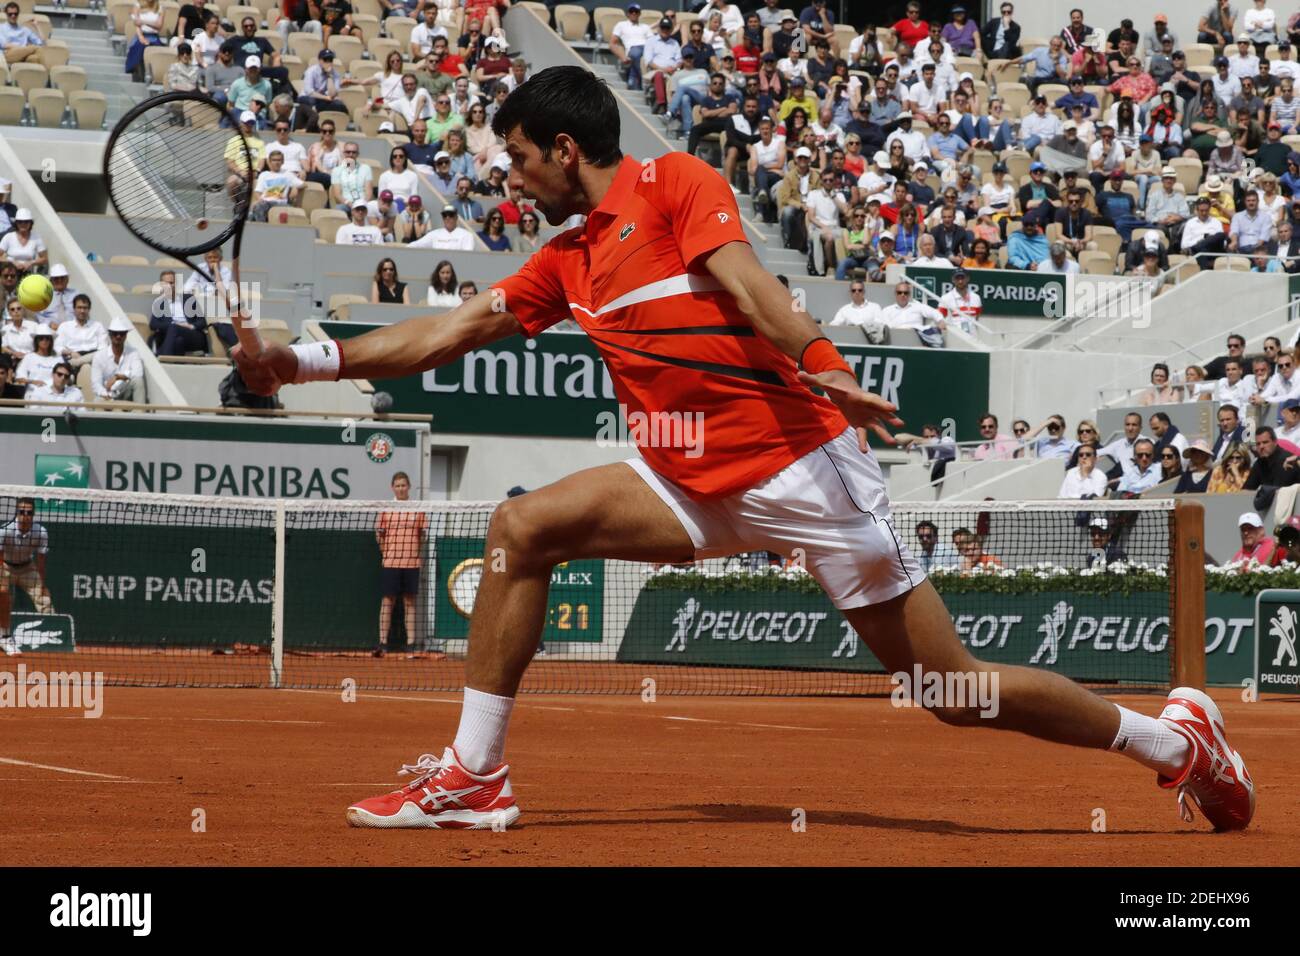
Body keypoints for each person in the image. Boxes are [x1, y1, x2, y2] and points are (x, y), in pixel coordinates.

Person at [232, 66, 1254, 835]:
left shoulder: (674, 183)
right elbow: (446, 333)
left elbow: (753, 286)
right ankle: (474, 773)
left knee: (953, 694)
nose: (512, 180)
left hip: (800, 471)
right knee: (522, 525)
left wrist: (818, 354)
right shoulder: (565, 259)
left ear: (562, 145)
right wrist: (300, 359)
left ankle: (1173, 740)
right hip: (682, 480)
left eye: (517, 160)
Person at [374, 472, 430, 658]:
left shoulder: (417, 509)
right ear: (392, 488)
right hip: (390, 562)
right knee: (387, 601)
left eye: (403, 485)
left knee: (410, 603)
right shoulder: (386, 509)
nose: (400, 489)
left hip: (411, 563)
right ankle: (382, 643)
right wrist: (386, 554)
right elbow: (379, 535)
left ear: (409, 486)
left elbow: (422, 536)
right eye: (397, 486)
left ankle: (410, 645)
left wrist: (413, 553)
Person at [0, 497, 54, 656]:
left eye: (29, 512)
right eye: (21, 512)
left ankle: (54, 640)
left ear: (33, 514)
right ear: (16, 513)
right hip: (5, 566)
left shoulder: (41, 532)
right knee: (2, 595)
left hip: (27, 568)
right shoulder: (5, 530)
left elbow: (41, 560)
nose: (25, 515)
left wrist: (43, 585)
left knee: (45, 600)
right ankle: (5, 636)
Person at [92, 316, 143, 403]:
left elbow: (138, 374)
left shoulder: (133, 352)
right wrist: (106, 395)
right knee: (97, 401)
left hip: (126, 392)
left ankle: (141, 414)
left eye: (121, 333)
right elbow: (96, 384)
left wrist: (118, 376)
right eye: (115, 333)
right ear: (110, 334)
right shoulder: (99, 356)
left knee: (138, 381)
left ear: (126, 335)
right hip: (107, 394)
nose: (118, 336)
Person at [54, 295, 107, 370]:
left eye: (85, 308)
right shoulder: (64, 326)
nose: (82, 311)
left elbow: (103, 348)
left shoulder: (97, 326)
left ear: (89, 309)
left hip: (92, 358)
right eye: (79, 307)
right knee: (85, 367)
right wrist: (70, 353)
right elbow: (57, 347)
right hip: (73, 355)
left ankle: (77, 363)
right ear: (74, 309)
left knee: (99, 355)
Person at [410, 205, 477, 250]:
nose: (447, 217)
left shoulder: (467, 235)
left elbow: (467, 256)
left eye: (451, 215)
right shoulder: (434, 234)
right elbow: (416, 245)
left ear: (456, 217)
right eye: (444, 215)